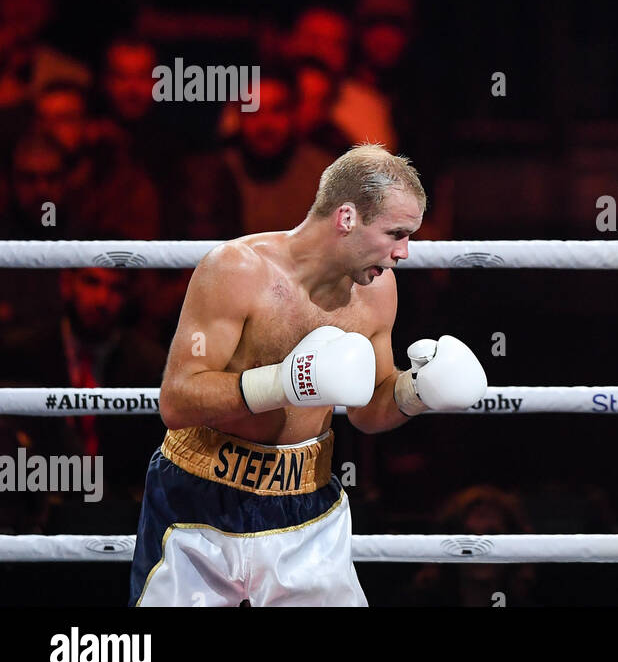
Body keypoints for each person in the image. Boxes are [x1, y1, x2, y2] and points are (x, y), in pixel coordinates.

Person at [129, 144, 488, 607]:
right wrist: (284, 382)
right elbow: (178, 401)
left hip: (306, 507)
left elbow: (368, 409)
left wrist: (414, 392)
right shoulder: (236, 270)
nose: (404, 252)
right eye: (396, 233)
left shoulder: (377, 290)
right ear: (346, 218)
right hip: (198, 504)